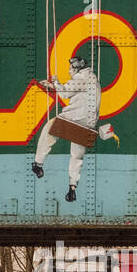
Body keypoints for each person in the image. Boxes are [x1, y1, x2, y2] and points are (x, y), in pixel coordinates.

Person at [32, 55, 100, 202]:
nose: (69, 73)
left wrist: (55, 81)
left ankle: (38, 163)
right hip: (88, 124)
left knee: (49, 130)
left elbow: (64, 93)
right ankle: (72, 187)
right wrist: (52, 86)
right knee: (77, 156)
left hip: (74, 119)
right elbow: (75, 91)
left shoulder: (81, 77)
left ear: (76, 68)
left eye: (70, 69)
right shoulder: (92, 78)